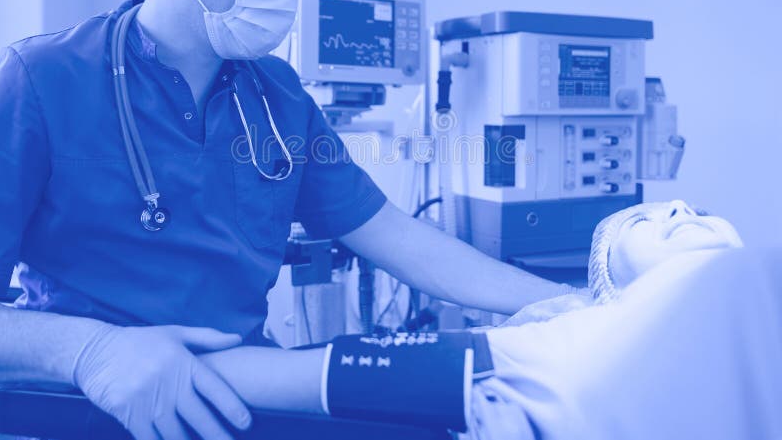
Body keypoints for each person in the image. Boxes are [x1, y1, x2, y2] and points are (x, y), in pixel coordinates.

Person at [0, 0, 573, 440]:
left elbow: (394, 234)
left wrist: (556, 307)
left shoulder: (277, 97)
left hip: (240, 397)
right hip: (84, 406)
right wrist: (90, 351)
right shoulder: (41, 81)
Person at [147, 201, 777, 440]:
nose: (676, 207)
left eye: (691, 209)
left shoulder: (749, 284)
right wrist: (107, 354)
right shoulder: (573, 340)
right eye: (642, 220)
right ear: (613, 288)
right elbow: (313, 376)